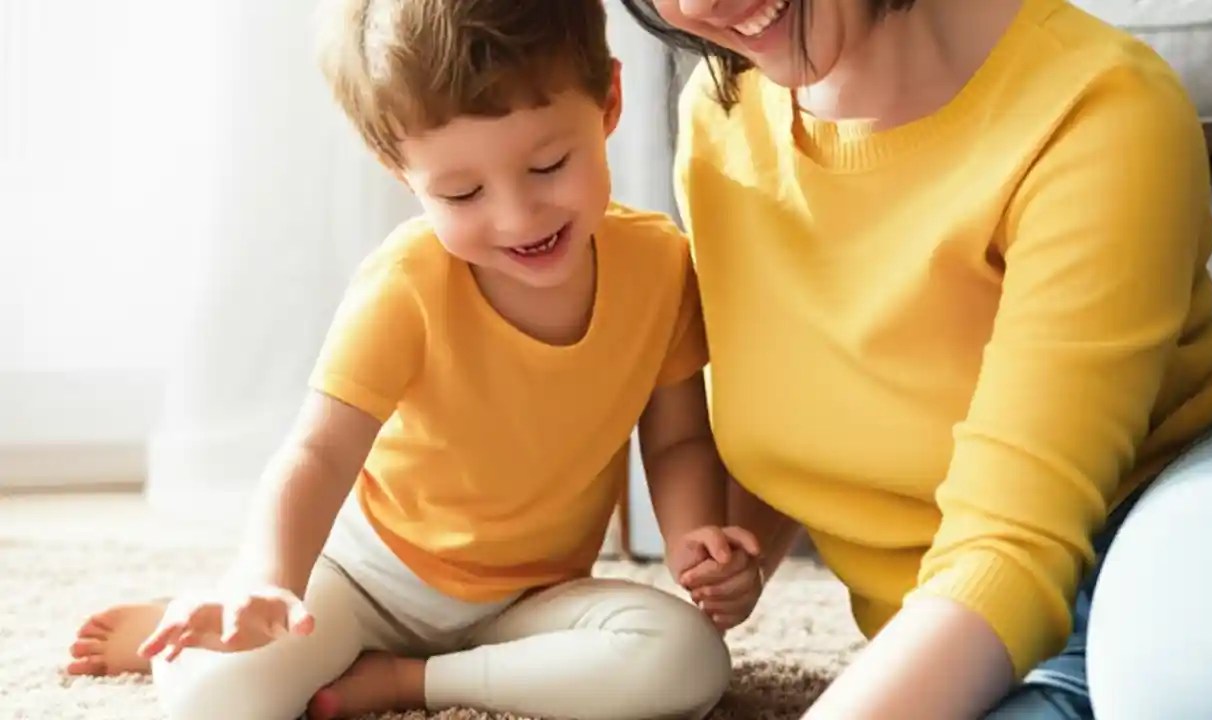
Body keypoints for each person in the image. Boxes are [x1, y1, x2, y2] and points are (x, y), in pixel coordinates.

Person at [63, 1, 767, 718]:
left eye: (550, 164)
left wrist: (695, 541)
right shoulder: (405, 283)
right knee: (214, 700)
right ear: (399, 168)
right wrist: (268, 580)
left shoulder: (660, 266)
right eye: (463, 192)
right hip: (365, 579)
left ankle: (406, 681)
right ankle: (206, 612)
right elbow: (317, 454)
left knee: (686, 659)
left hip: (534, 597)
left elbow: (678, 437)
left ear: (609, 101)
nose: (520, 216)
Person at [620, 0, 1212, 718]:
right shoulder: (722, 118)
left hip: (1168, 515)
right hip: (976, 638)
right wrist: (738, 550)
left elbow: (1012, 550)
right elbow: (819, 384)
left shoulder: (1096, 109)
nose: (692, 5)